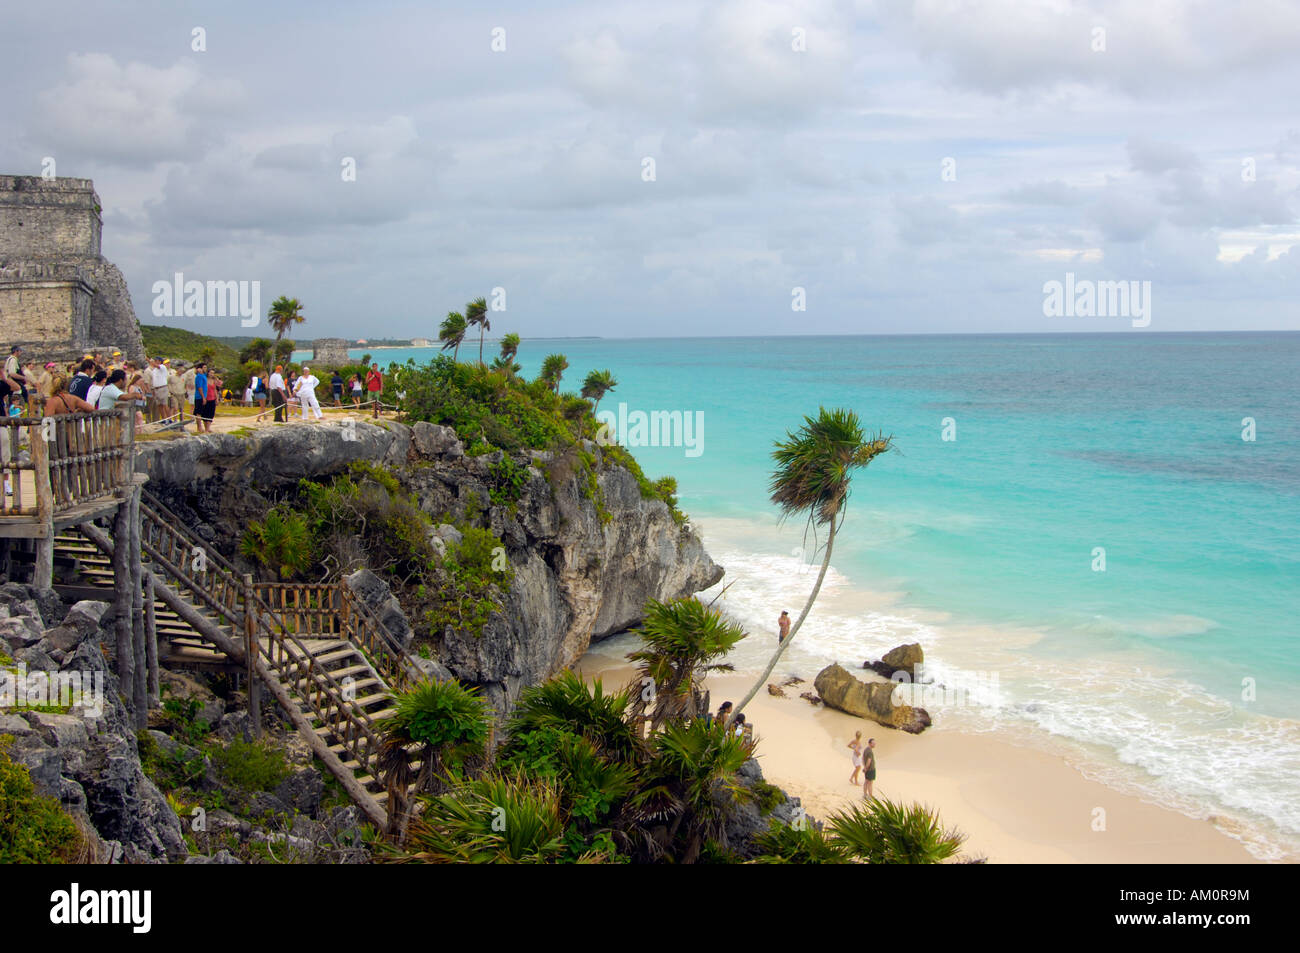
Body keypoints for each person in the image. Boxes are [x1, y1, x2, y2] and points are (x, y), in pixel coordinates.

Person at [4, 346, 27, 412]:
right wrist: (23, 377)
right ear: (16, 351)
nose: (21, 353)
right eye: (20, 351)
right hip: (14, 384)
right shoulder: (13, 360)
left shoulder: (10, 359)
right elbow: (12, 373)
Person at [147, 357, 170, 422]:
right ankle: (164, 419)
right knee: (159, 405)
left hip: (162, 387)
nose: (154, 361)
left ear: (159, 361)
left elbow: (156, 365)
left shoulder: (162, 367)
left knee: (165, 404)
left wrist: (148, 360)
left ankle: (169, 419)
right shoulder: (154, 370)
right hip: (156, 388)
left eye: (155, 360)